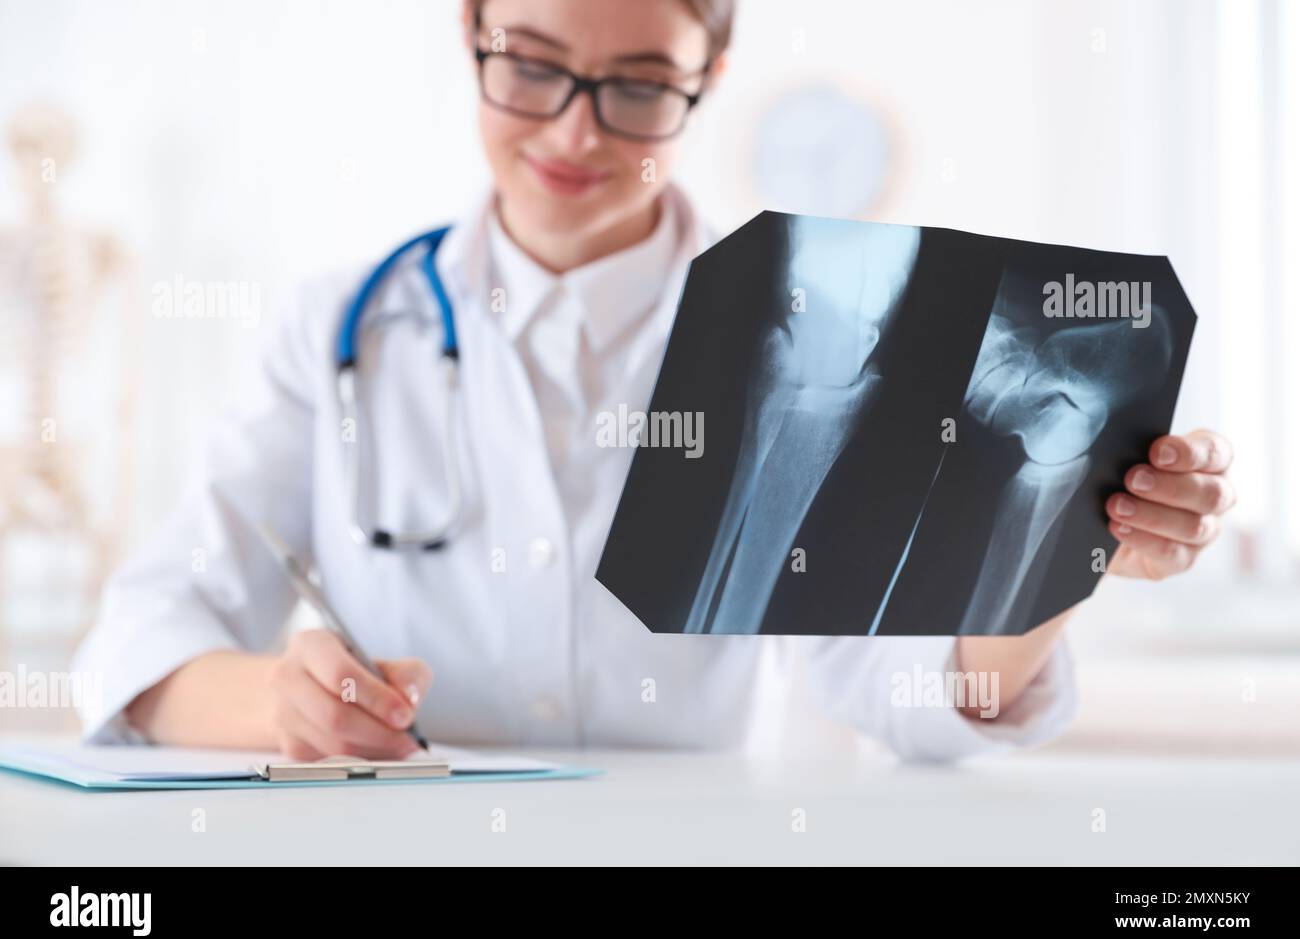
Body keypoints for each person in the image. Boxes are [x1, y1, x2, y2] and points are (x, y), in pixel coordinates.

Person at [73, 0, 1238, 762]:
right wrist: (279, 703)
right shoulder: (338, 323)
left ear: (710, 74)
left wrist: (1062, 548)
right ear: (471, 35)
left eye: (636, 85)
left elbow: (916, 695)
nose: (575, 134)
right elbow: (149, 625)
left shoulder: (819, 340)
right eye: (530, 66)